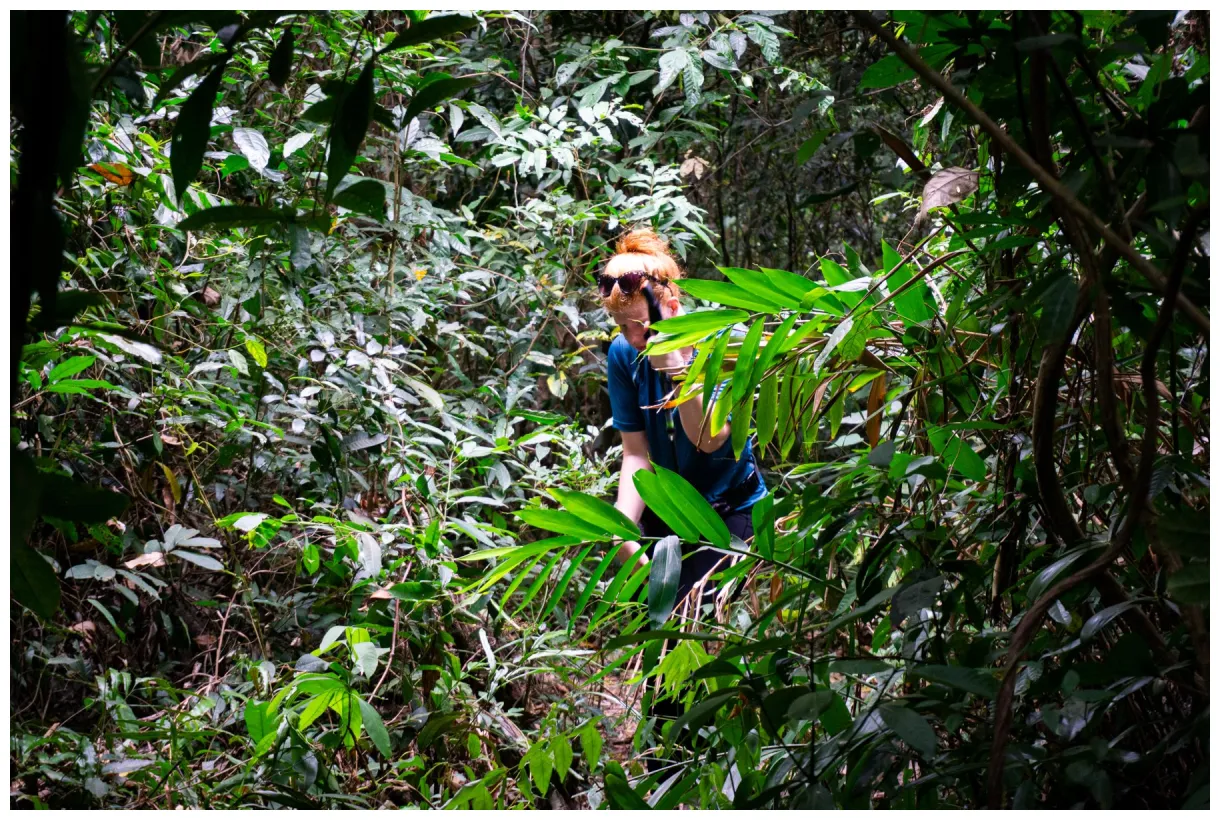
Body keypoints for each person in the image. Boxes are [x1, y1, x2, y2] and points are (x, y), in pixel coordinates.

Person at [598, 228, 767, 605]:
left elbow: (710, 439)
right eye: (621, 327)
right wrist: (622, 526)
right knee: (656, 624)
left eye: (638, 325)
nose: (631, 338)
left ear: (671, 307)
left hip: (730, 509)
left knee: (699, 618)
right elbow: (636, 452)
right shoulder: (624, 353)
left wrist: (679, 371)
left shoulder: (726, 340)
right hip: (671, 508)